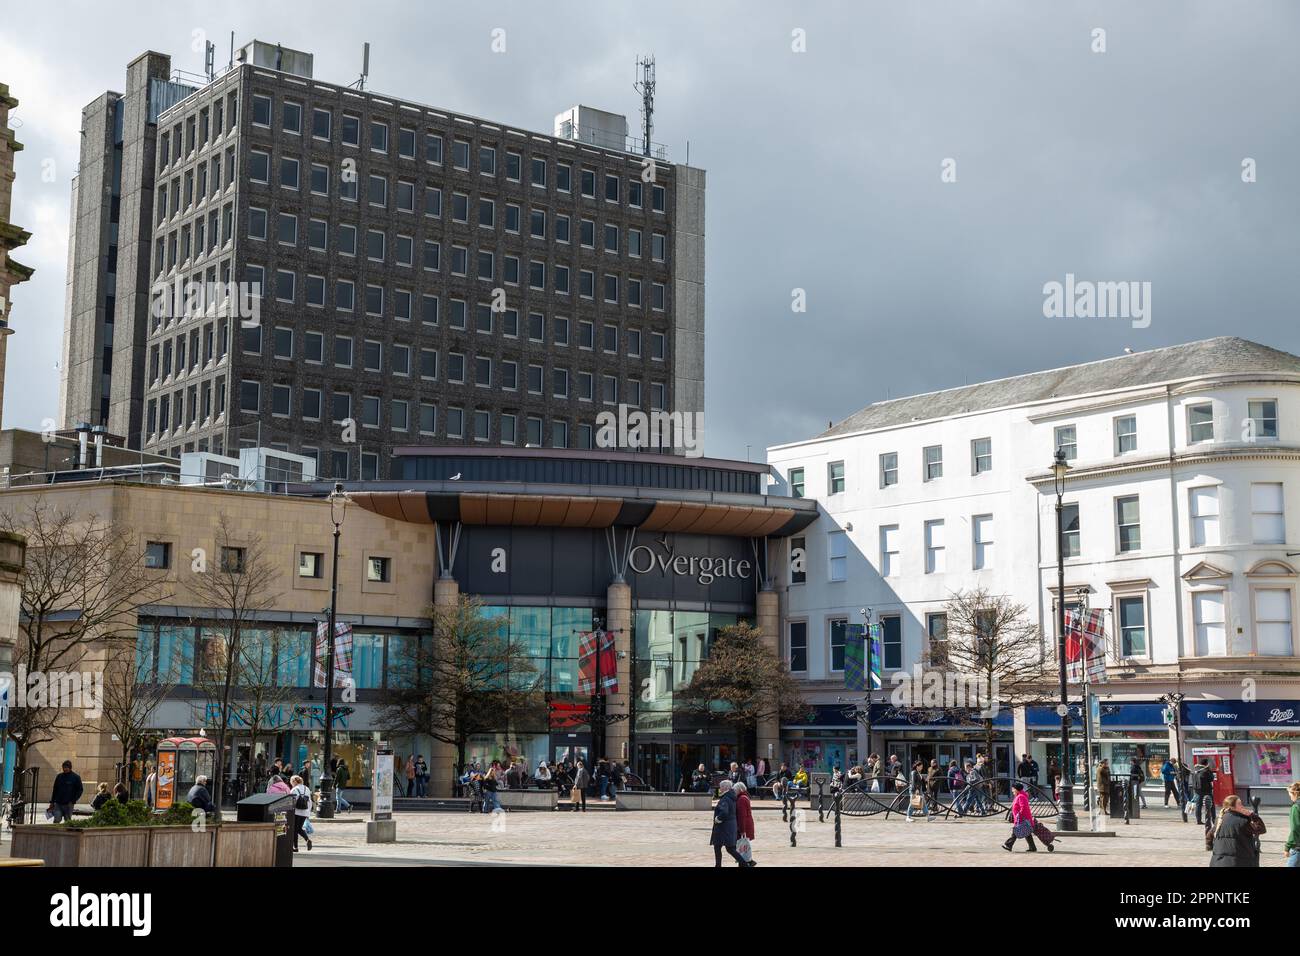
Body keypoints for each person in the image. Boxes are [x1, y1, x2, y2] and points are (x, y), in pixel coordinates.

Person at [1210, 795, 1265, 867]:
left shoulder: (1220, 819)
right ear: (1232, 807)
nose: (1242, 806)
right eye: (1239, 804)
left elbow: (1209, 835)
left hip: (1218, 861)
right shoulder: (1243, 821)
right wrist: (1252, 815)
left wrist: (1212, 848)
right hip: (1239, 861)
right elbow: (1261, 829)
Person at [710, 780, 746, 867]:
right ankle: (744, 864)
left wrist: (718, 818)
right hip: (730, 827)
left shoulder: (725, 798)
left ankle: (744, 864)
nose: (720, 789)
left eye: (721, 787)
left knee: (720, 847)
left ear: (725, 788)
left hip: (723, 828)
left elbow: (724, 812)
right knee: (728, 848)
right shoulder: (732, 797)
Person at [1003, 781, 1045, 853]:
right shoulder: (1019, 796)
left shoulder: (1021, 797)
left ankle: (1009, 845)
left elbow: (1023, 807)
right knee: (1027, 833)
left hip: (1022, 819)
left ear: (1016, 789)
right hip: (1022, 818)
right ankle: (1032, 847)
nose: (1012, 790)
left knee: (1015, 832)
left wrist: (1019, 815)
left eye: (1013, 789)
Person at [733, 781, 758, 867]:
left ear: (739, 790)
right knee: (743, 847)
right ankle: (747, 862)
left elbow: (742, 816)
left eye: (735, 790)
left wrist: (742, 830)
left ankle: (747, 862)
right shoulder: (745, 796)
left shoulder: (741, 799)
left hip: (744, 826)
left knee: (741, 848)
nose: (734, 792)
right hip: (747, 825)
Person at [289, 774, 313, 851]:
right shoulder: (307, 789)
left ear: (294, 781)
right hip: (305, 812)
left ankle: (295, 847)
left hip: (296, 812)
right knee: (299, 828)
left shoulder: (294, 789)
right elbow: (310, 802)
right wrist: (308, 812)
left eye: (291, 782)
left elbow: (291, 802)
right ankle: (307, 839)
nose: (291, 784)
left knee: (295, 829)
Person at [1192, 759, 1218, 827]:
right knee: (1211, 805)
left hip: (1197, 790)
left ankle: (1198, 820)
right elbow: (1211, 778)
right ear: (1206, 764)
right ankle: (1213, 819)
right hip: (1206, 790)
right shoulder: (1206, 770)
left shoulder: (1195, 770)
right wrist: (1209, 770)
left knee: (1198, 805)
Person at [1284, 781, 1300, 868]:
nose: (1289, 796)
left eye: (1289, 793)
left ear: (1294, 793)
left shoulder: (1296, 807)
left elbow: (1295, 829)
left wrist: (1287, 847)